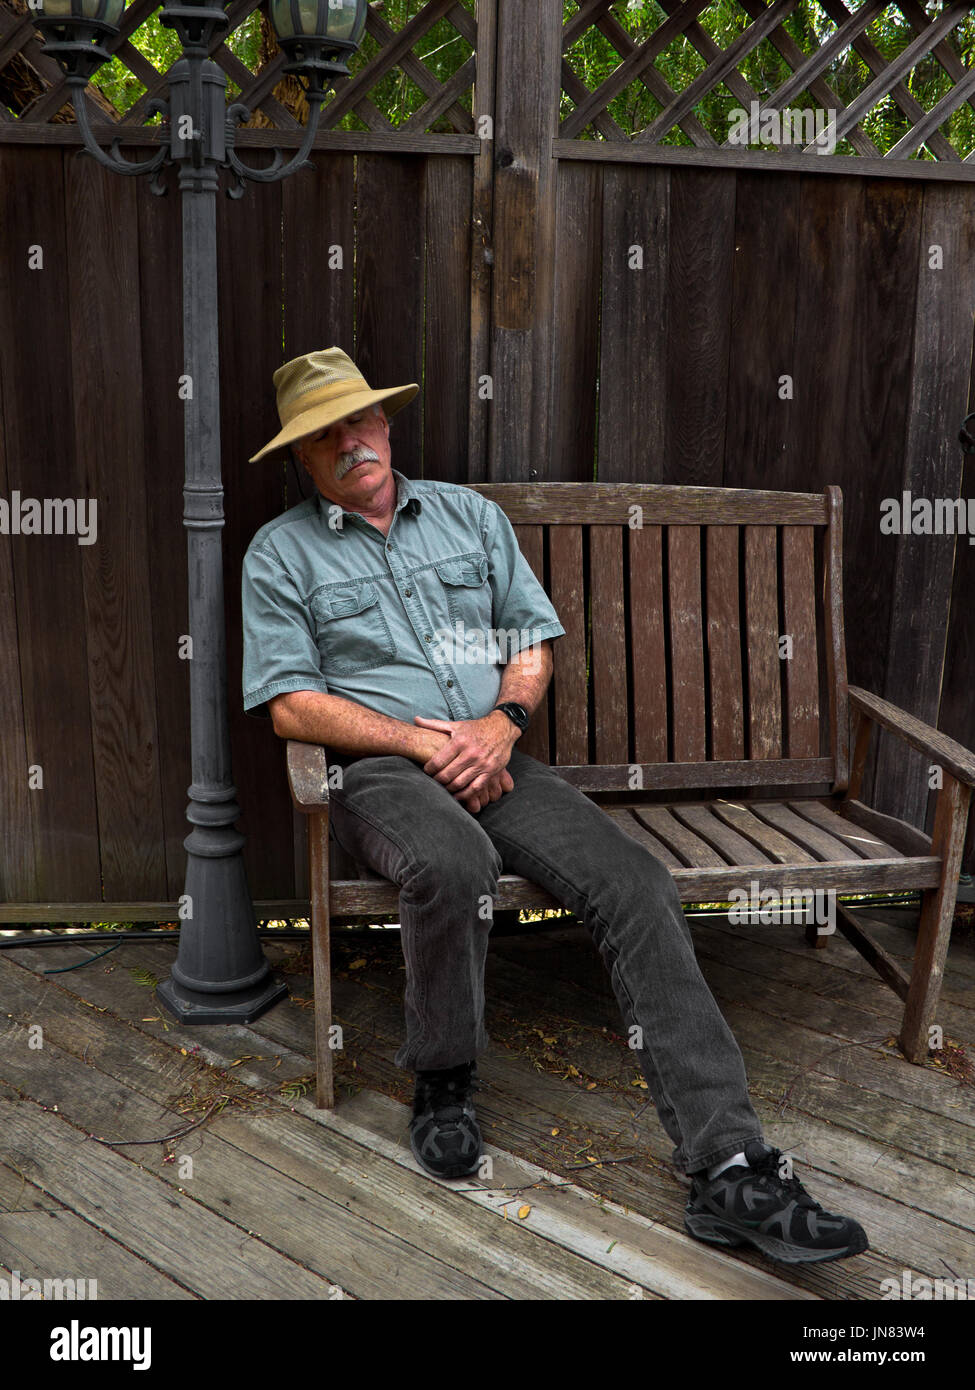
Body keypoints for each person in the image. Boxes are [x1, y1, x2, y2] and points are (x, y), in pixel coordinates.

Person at [242, 347, 869, 1265]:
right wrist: (428, 743)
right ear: (301, 457)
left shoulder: (469, 518)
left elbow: (531, 640)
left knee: (634, 881)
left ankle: (728, 1164)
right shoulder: (281, 553)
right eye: (324, 434)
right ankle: (444, 1080)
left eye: (358, 421)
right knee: (450, 864)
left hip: (495, 757)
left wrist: (498, 726)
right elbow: (290, 704)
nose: (348, 442)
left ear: (386, 423)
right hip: (380, 772)